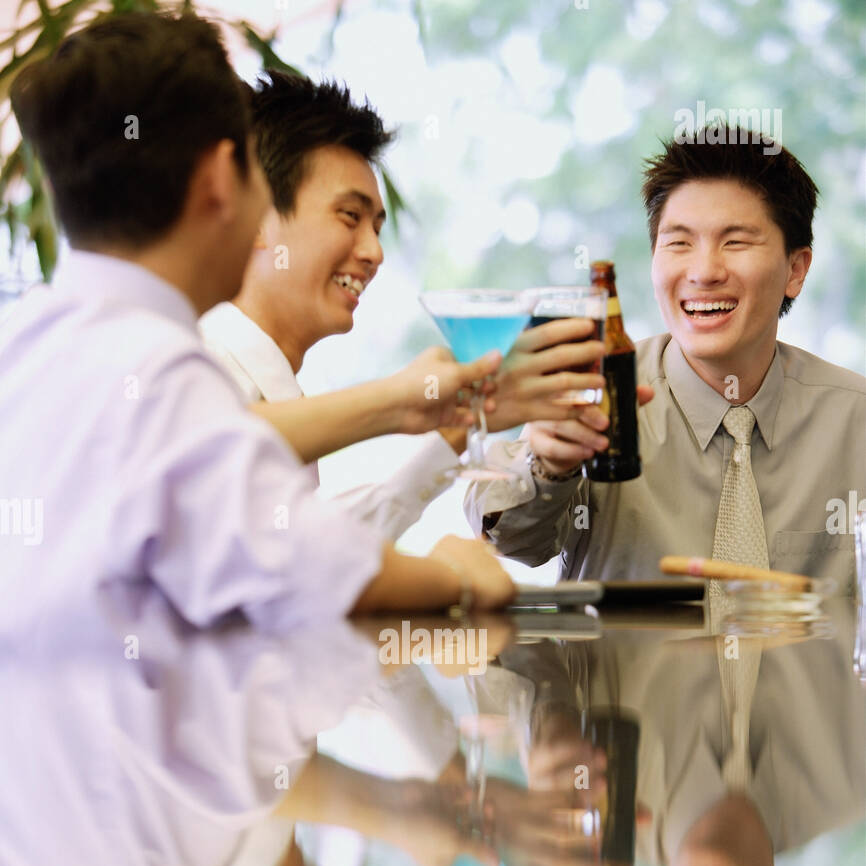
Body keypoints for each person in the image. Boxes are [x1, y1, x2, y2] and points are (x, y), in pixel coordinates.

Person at [0, 12, 514, 636]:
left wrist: (422, 421)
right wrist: (454, 579)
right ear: (224, 179)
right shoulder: (162, 369)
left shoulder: (32, 342)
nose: (374, 253)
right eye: (348, 216)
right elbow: (290, 571)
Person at [201, 70, 605, 538]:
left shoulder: (267, 388)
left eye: (376, 227)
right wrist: (403, 402)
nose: (374, 252)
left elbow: (300, 550)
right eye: (349, 216)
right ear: (253, 215)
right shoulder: (198, 374)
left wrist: (457, 426)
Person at [465, 124, 866, 595]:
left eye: (735, 242)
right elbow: (509, 539)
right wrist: (550, 466)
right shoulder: (595, 396)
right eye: (679, 243)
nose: (704, 272)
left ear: (795, 270)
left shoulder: (856, 420)